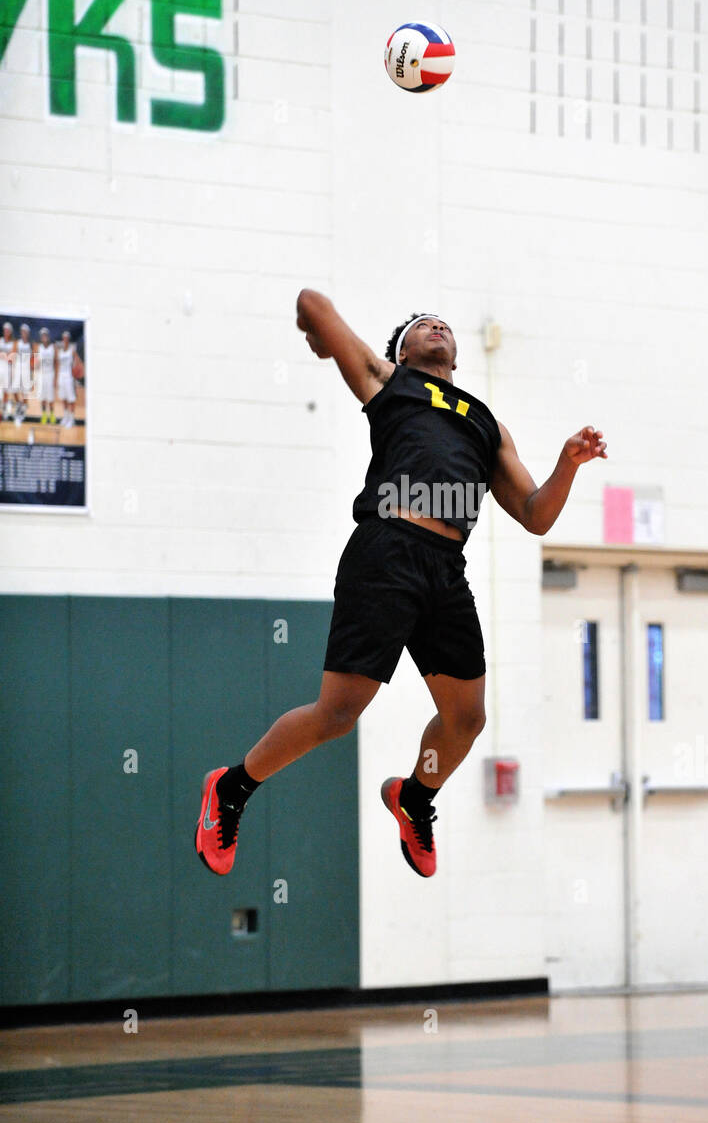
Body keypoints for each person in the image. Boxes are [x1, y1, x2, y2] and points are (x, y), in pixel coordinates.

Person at [195, 290, 607, 879]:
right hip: (386, 554)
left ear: (457, 358)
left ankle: (413, 797)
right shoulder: (388, 382)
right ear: (403, 352)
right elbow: (314, 302)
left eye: (443, 323)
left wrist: (568, 464)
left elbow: (537, 514)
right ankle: (231, 787)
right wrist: (312, 327)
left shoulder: (487, 424)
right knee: (338, 715)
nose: (436, 325)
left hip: (445, 566)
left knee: (467, 720)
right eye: (421, 325)